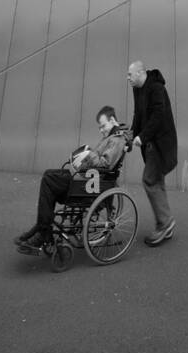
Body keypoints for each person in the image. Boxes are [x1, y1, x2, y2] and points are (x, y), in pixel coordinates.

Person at [13, 106, 128, 253]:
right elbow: (98, 162)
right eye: (99, 127)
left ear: (112, 120)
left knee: (49, 179)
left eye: (103, 126)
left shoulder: (117, 139)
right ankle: (42, 227)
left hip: (92, 185)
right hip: (88, 180)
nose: (101, 130)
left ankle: (43, 231)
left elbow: (105, 164)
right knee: (49, 176)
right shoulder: (111, 138)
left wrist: (88, 153)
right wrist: (85, 156)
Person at [128, 60, 177, 246]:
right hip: (150, 144)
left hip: (160, 143)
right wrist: (132, 135)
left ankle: (165, 223)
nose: (128, 78)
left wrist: (143, 136)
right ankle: (166, 223)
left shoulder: (156, 88)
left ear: (140, 73)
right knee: (157, 181)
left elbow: (159, 116)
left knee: (149, 180)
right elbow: (138, 114)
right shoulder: (137, 89)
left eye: (130, 74)